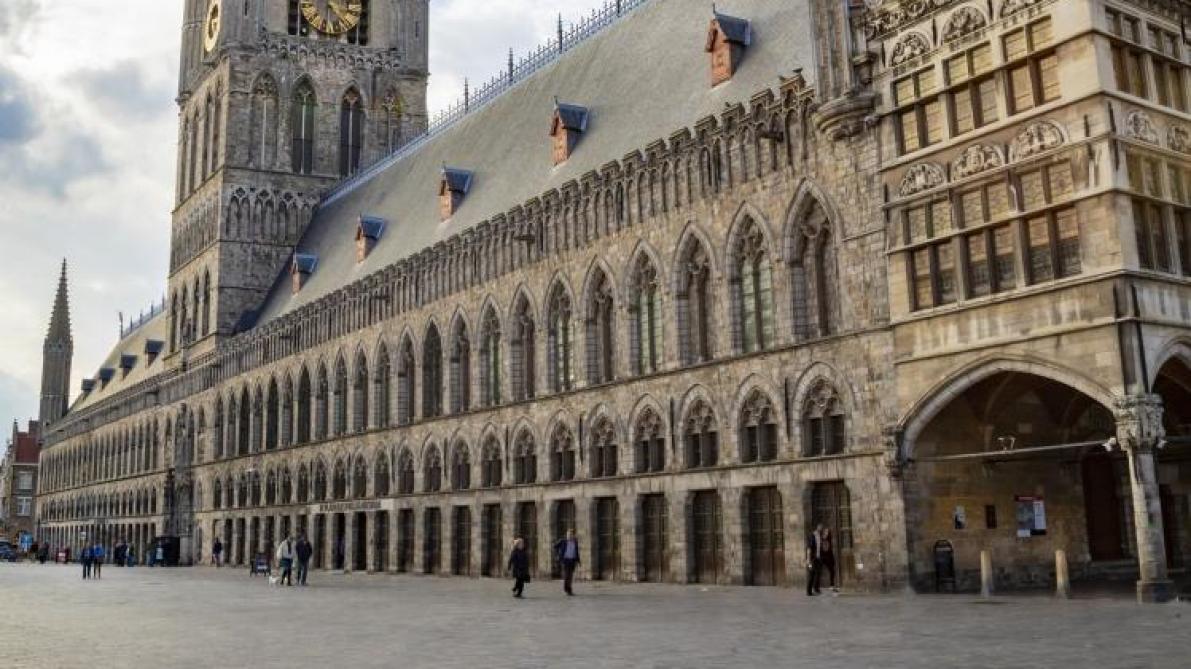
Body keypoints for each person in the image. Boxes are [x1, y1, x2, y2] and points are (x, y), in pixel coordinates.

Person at [553, 529, 580, 595]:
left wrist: (578, 560)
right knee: (567, 575)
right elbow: (555, 546)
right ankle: (567, 589)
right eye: (568, 535)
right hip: (565, 560)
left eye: (571, 535)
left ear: (573, 535)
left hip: (572, 560)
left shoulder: (575, 542)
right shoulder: (563, 541)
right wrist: (558, 554)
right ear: (566, 535)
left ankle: (569, 590)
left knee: (570, 576)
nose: (569, 536)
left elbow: (576, 552)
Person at [805, 523, 824, 596]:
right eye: (820, 527)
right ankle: (808, 591)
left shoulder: (820, 536)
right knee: (811, 574)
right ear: (817, 527)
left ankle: (816, 589)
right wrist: (808, 559)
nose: (821, 528)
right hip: (812, 559)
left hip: (819, 558)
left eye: (822, 527)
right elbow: (809, 548)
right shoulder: (812, 536)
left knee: (818, 574)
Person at [820, 527, 838, 593]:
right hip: (823, 557)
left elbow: (829, 548)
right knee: (817, 571)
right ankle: (816, 586)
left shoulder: (829, 538)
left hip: (829, 557)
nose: (827, 533)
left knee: (832, 571)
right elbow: (823, 548)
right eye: (826, 532)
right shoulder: (821, 539)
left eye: (828, 532)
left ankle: (832, 585)